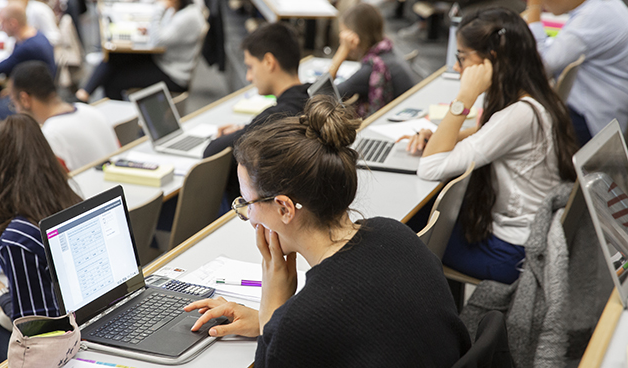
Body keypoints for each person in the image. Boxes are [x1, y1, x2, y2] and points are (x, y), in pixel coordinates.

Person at [184, 96, 471, 367]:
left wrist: (274, 310)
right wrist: (270, 323)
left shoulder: (303, 322)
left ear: (285, 208)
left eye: (247, 203)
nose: (247, 215)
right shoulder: (395, 234)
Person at [400, 8, 579, 284]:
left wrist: (464, 98)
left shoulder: (519, 116)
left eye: (462, 58)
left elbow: (430, 167)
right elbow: (486, 134)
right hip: (523, 236)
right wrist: (443, 137)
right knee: (423, 213)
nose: (458, 68)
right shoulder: (534, 97)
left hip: (510, 253)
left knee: (403, 229)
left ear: (491, 59)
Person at [0, 114, 82, 367]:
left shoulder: (17, 241)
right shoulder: (65, 194)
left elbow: (36, 333)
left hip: (63, 348)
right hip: (86, 320)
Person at [203, 23, 309, 201]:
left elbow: (213, 152)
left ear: (269, 62)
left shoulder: (276, 117)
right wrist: (243, 129)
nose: (248, 77)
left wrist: (233, 135)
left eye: (250, 67)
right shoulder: (312, 96)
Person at [524, 0, 628, 145]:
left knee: (520, 132)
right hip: (609, 111)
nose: (542, 3)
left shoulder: (591, 18)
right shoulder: (603, 5)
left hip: (593, 122)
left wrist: (533, 8)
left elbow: (540, 65)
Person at [75, 0, 206, 101]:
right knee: (116, 57)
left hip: (173, 74)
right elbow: (166, 32)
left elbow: (158, 40)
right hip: (162, 60)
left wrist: (160, 8)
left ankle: (121, 124)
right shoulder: (180, 8)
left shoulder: (188, 17)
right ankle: (84, 94)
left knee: (113, 82)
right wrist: (149, 29)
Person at [9, 61, 119, 171]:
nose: (17, 110)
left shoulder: (50, 136)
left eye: (14, 103)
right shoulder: (90, 111)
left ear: (24, 99)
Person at [328, 3, 415, 118]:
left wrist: (342, 52)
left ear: (354, 37)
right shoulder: (387, 52)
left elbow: (323, 95)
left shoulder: (373, 67)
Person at [0, 2, 56, 78]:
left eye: (2, 22)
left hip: (35, 88)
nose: (1, 28)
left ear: (13, 24)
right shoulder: (36, 34)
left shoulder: (26, 49)